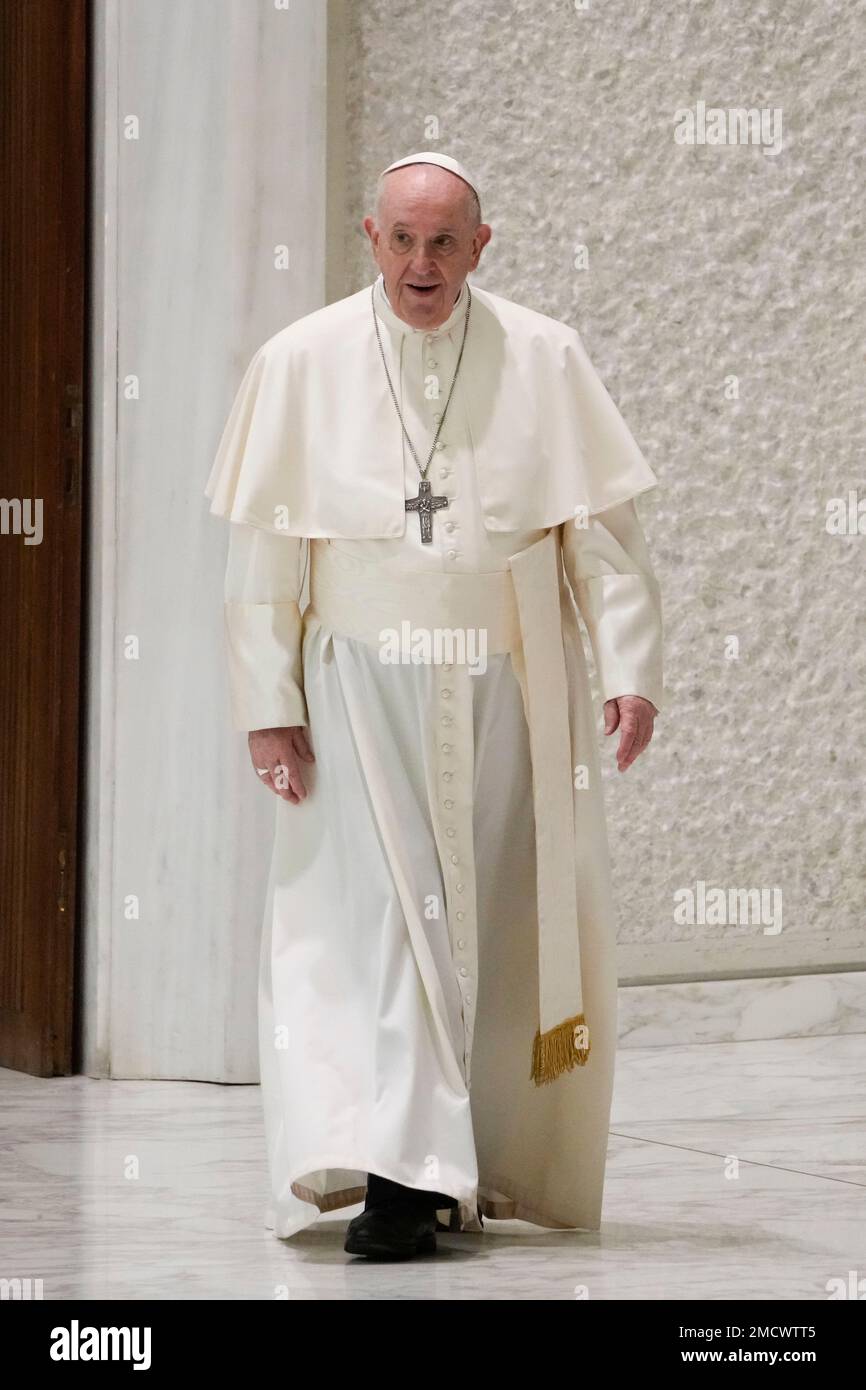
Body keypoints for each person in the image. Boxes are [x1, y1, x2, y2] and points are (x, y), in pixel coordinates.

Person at [205, 151, 664, 1261]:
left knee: (503, 923)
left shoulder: (542, 356)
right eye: (402, 240)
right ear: (369, 237)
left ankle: (475, 1164)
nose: (421, 263)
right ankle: (398, 1179)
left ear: (480, 245)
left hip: (510, 680)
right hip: (356, 682)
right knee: (379, 926)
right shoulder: (300, 361)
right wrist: (268, 702)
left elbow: (602, 543)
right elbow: (264, 553)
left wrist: (627, 668)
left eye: (444, 241)